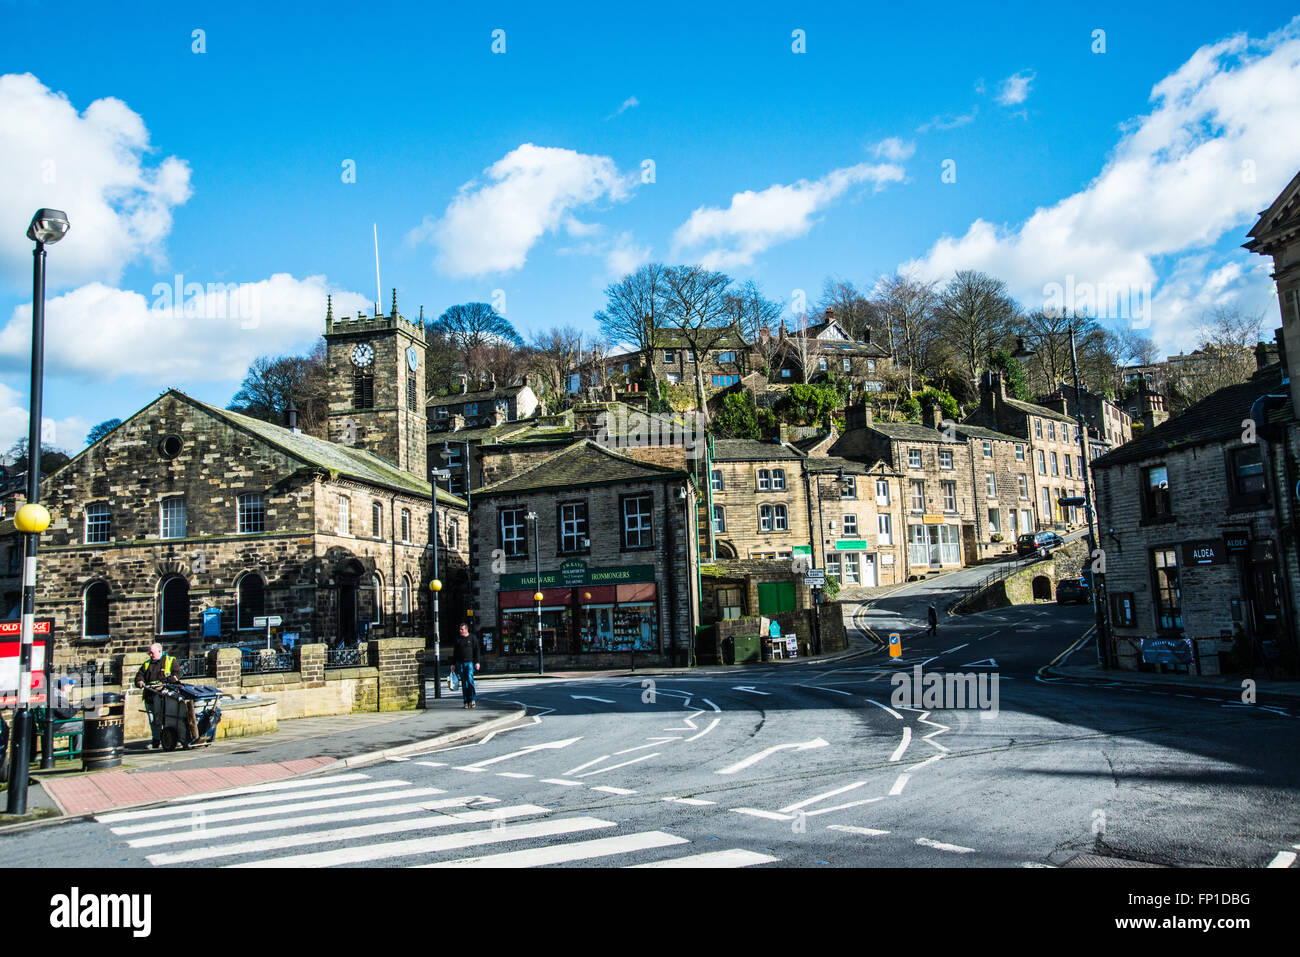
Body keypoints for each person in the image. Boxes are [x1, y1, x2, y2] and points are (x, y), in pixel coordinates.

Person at [134, 643, 181, 749]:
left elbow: (177, 674)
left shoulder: (170, 661)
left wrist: (165, 682)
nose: (150, 655)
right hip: (149, 696)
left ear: (160, 651)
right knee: (153, 719)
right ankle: (156, 741)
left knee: (165, 719)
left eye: (152, 652)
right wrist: (140, 681)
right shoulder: (146, 664)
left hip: (165, 697)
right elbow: (139, 676)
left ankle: (170, 740)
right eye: (149, 653)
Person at [50, 676, 83, 756]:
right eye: (70, 684)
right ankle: (77, 753)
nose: (72, 686)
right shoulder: (57, 698)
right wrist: (79, 706)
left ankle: (77, 751)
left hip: (56, 722)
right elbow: (67, 714)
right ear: (64, 686)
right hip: (56, 724)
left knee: (79, 724)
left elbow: (66, 710)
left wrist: (78, 705)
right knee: (82, 724)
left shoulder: (58, 696)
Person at [452, 622, 480, 709]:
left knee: (470, 680)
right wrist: (453, 664)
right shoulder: (458, 639)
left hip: (469, 662)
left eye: (462, 629)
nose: (460, 631)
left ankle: (472, 699)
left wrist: (477, 662)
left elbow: (476, 650)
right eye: (460, 629)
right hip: (460, 663)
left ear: (466, 629)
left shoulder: (472, 638)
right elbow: (455, 652)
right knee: (464, 683)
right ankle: (466, 701)